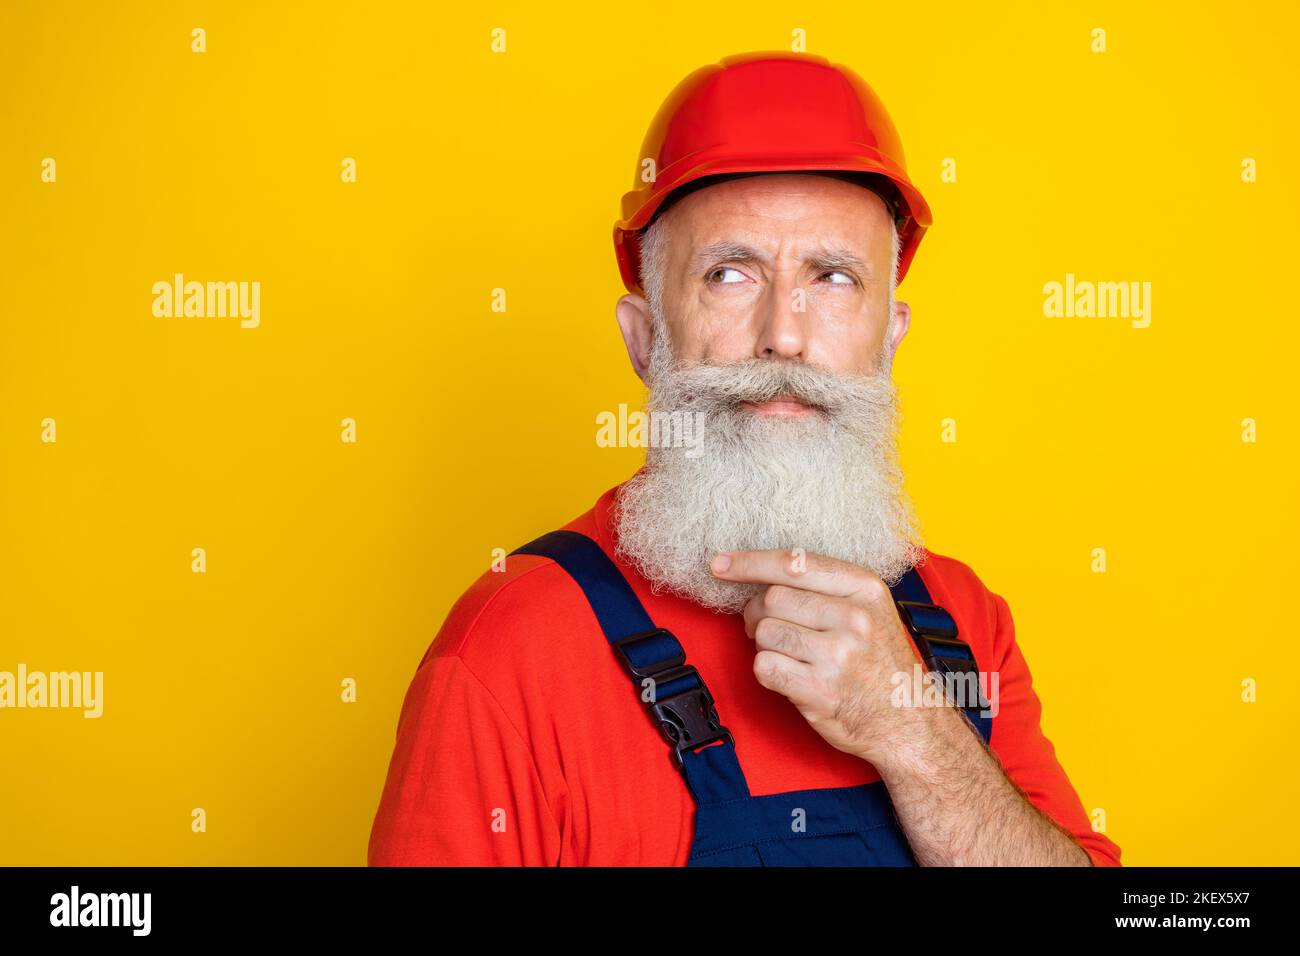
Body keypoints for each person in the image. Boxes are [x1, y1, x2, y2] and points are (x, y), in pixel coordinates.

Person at [368, 52, 1122, 867]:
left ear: (889, 338)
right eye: (729, 274)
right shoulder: (505, 655)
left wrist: (917, 734)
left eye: (832, 277)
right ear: (646, 339)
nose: (784, 334)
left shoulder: (964, 623)